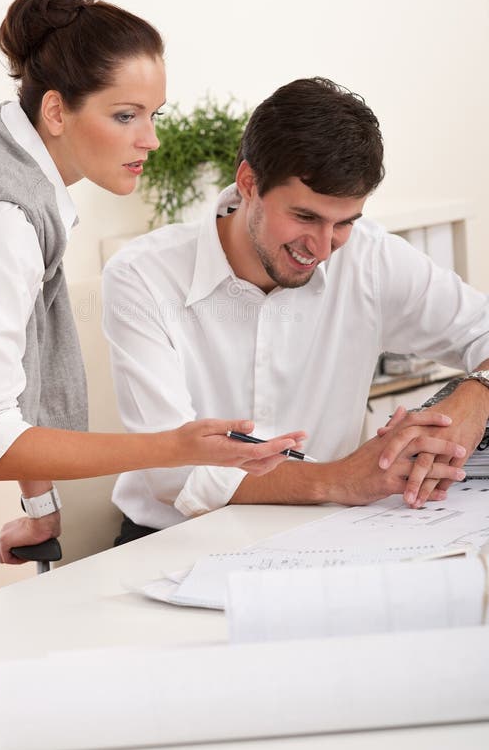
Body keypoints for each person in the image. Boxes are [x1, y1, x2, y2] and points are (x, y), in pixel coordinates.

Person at [0, 0, 292, 565]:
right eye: (125, 116)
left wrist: (41, 506)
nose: (151, 139)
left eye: (153, 114)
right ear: (56, 111)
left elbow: (15, 353)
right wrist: (174, 447)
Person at [102, 77, 489, 544]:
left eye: (344, 223)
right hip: (173, 540)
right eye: (306, 217)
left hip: (327, 533)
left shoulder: (369, 257)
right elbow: (173, 471)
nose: (323, 248)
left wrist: (474, 395)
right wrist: (339, 479)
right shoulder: (141, 276)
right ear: (249, 183)